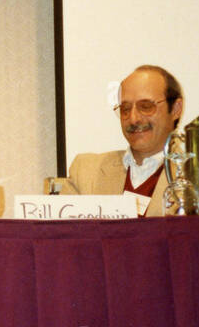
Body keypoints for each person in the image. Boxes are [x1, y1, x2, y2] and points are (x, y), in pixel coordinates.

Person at [65, 65, 184, 217]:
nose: (133, 119)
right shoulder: (86, 172)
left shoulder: (197, 177)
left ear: (175, 109)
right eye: (125, 109)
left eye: (146, 107)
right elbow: (61, 237)